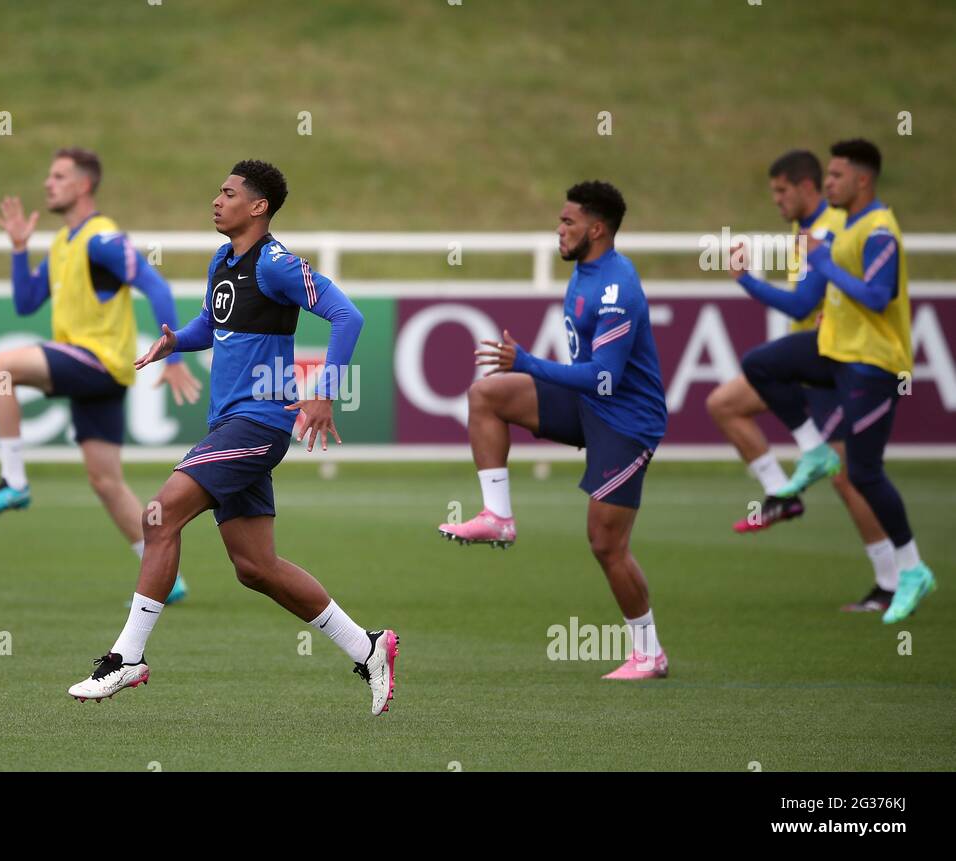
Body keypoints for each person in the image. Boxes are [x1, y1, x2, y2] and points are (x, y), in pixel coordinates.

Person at [66, 159, 399, 715]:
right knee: (255, 567)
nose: (216, 200)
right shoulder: (223, 259)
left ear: (259, 207)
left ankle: (127, 658)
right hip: (229, 424)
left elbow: (349, 317)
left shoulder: (279, 265)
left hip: (261, 423)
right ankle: (367, 647)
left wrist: (324, 391)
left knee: (160, 514)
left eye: (228, 193)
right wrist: (177, 342)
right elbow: (212, 323)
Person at [439, 181, 671, 680]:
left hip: (627, 421)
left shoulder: (617, 286)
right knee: (487, 395)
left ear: (598, 228)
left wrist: (525, 362)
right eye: (560, 221)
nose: (559, 230)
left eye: (568, 222)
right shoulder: (585, 273)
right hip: (591, 405)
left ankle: (649, 653)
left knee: (606, 544)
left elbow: (604, 377)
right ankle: (498, 515)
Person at [0, 147, 201, 604]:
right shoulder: (62, 243)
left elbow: (156, 285)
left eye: (58, 176)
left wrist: (173, 357)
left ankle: (14, 480)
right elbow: (26, 302)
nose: (47, 184)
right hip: (96, 371)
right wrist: (20, 248)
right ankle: (165, 576)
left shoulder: (102, 238)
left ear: (84, 185)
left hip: (97, 361)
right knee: (106, 481)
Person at [742, 139, 935, 624]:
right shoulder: (840, 227)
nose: (828, 183)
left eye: (835, 176)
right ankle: (813, 450)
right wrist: (754, 277)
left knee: (865, 474)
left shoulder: (878, 230)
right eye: (826, 175)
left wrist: (824, 265)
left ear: (862, 180)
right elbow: (807, 299)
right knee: (761, 364)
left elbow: (876, 295)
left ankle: (910, 570)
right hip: (836, 353)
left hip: (873, 365)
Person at [709, 149, 894, 612]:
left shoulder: (831, 227)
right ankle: (780, 494)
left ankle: (891, 581)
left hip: (833, 364)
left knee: (849, 478)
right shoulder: (805, 230)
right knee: (723, 403)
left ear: (805, 187)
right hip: (803, 361)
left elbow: (800, 304)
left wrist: (746, 280)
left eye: (781, 190)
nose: (776, 200)